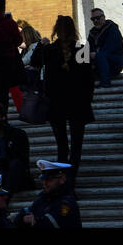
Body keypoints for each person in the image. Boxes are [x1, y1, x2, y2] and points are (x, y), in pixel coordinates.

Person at [38, 15, 95, 173]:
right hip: (78, 102)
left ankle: (62, 176)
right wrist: (87, 99)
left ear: (56, 30)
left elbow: (46, 77)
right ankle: (71, 177)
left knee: (62, 147)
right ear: (73, 29)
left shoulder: (49, 50)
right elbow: (89, 79)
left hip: (57, 103)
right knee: (76, 146)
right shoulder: (82, 49)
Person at [87, 7, 123, 87]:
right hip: (98, 63)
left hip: (114, 62)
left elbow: (111, 47)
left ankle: (105, 83)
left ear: (103, 17)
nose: (95, 21)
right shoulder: (92, 32)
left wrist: (96, 54)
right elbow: (88, 48)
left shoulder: (112, 28)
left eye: (97, 18)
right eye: (93, 19)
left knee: (100, 55)